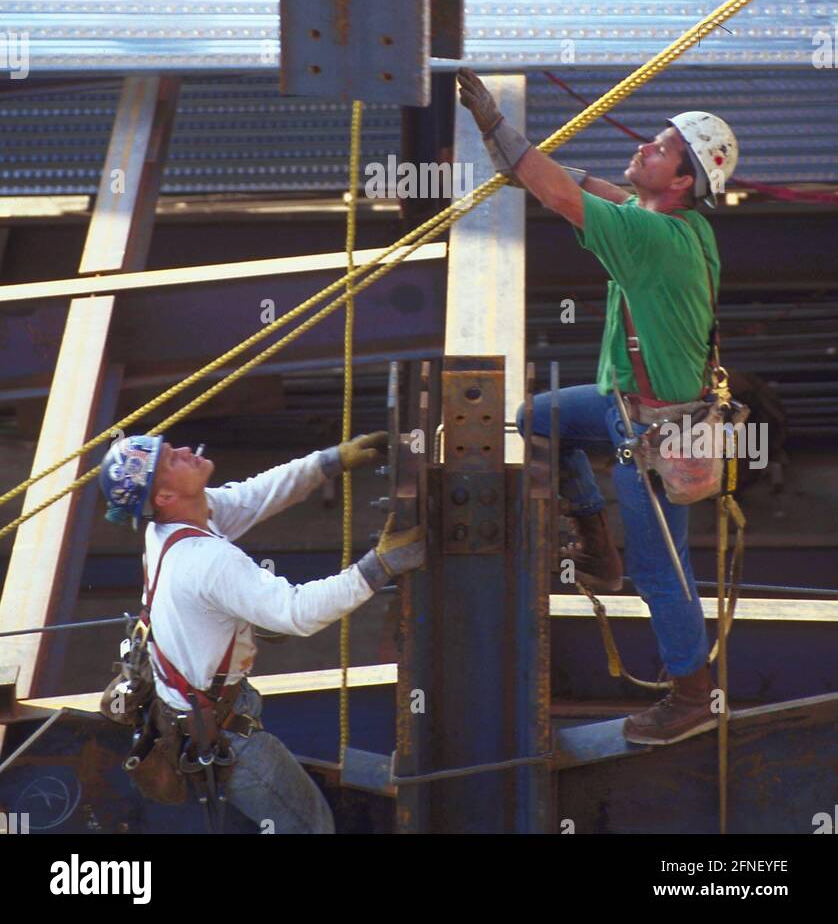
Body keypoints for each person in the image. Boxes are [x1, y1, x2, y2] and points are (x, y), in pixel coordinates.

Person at [457, 68, 739, 746]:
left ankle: (693, 695)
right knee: (540, 419)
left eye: (663, 147)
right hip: (623, 408)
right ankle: (595, 545)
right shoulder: (681, 224)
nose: (646, 145)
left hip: (652, 435)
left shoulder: (651, 241)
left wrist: (497, 125)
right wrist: (524, 159)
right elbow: (586, 187)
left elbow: (561, 195)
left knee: (662, 570)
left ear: (678, 182)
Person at [100, 431, 423, 832]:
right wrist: (378, 567)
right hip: (224, 735)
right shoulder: (208, 562)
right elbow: (297, 611)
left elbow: (254, 496)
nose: (185, 451)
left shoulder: (174, 523)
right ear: (164, 497)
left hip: (210, 708)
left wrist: (329, 461)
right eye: (171, 459)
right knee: (312, 827)